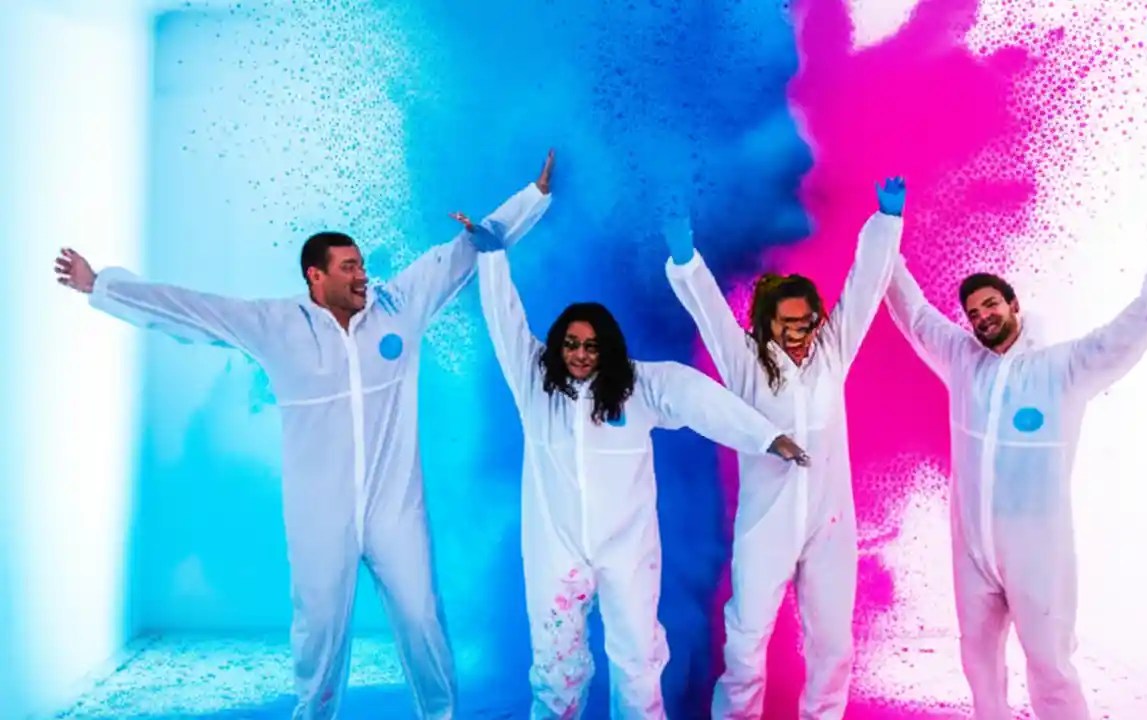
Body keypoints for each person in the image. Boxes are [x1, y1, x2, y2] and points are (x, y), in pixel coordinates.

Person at [52, 151, 558, 720]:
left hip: (395, 509)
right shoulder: (276, 325)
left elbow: (462, 253)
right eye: (348, 267)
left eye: (362, 263)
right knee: (319, 632)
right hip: (321, 516)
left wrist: (532, 197)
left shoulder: (396, 306)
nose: (362, 273)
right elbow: (191, 311)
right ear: (315, 276)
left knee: (421, 619)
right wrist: (105, 286)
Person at [453, 208, 809, 719]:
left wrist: (767, 436)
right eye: (571, 344)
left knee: (638, 658)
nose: (579, 354)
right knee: (555, 664)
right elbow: (506, 320)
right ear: (557, 346)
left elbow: (699, 398)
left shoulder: (638, 385)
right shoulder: (536, 383)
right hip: (556, 548)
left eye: (591, 346)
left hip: (628, 548)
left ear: (608, 349)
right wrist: (491, 257)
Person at [881, 222, 1147, 720]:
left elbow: (1123, 337)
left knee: (1049, 664)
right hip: (972, 548)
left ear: (1014, 305)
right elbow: (913, 314)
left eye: (991, 306)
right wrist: (885, 238)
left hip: (1036, 551)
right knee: (979, 663)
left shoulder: (1062, 368)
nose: (982, 318)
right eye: (974, 313)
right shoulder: (961, 358)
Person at [661, 178, 907, 719]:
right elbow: (710, 314)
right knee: (747, 640)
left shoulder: (831, 351)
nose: (800, 333)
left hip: (829, 525)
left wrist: (886, 222)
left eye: (807, 322)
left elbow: (864, 289)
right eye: (787, 323)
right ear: (767, 322)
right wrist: (685, 259)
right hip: (764, 527)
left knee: (834, 647)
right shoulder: (745, 362)